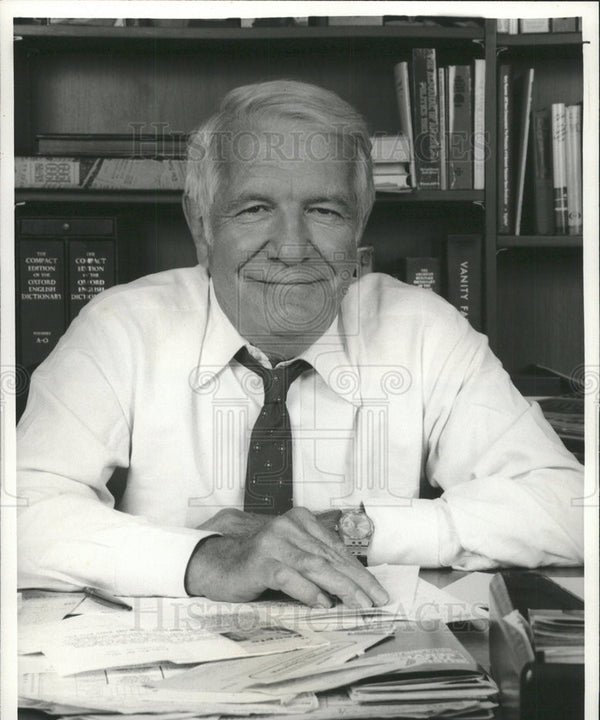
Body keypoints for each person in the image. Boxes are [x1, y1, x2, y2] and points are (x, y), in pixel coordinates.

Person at [17, 80, 584, 609]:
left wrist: (351, 531)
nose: (291, 247)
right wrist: (203, 560)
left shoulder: (425, 331)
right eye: (255, 209)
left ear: (359, 227)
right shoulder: (121, 329)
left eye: (324, 210)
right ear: (202, 225)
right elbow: (19, 512)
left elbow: (571, 507)